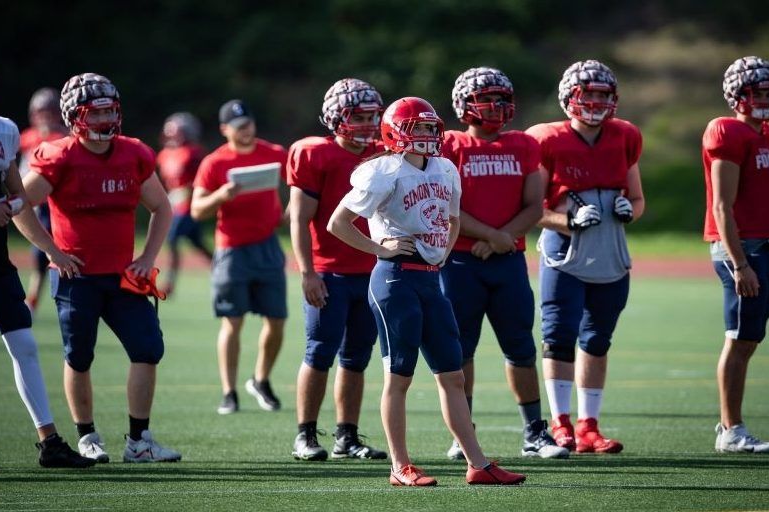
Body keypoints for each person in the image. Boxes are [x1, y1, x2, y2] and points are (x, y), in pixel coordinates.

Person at [328, 96, 525, 486]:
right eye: (416, 127)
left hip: (430, 279)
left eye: (429, 127)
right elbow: (339, 223)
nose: (425, 134)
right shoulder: (382, 171)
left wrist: (442, 252)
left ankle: (478, 464)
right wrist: (379, 248)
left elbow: (451, 221)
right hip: (395, 279)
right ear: (395, 132)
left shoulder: (445, 168)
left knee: (452, 376)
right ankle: (400, 466)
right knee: (399, 378)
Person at [21, 72, 181, 463]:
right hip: (77, 276)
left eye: (111, 111)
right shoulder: (58, 156)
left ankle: (139, 440)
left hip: (125, 274)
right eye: (97, 113)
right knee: (80, 355)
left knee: (148, 348)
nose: (106, 120)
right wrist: (50, 251)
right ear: (75, 116)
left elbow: (162, 207)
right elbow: (19, 204)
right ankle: (87, 435)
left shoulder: (134, 153)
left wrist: (147, 258)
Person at [440, 67, 567, 459]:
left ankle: (535, 433)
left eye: (501, 98)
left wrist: (501, 240)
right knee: (461, 352)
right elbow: (446, 203)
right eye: (487, 98)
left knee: (520, 348)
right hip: (460, 261)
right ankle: (464, 434)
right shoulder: (450, 144)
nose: (496, 106)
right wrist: (491, 237)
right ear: (464, 104)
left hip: (506, 260)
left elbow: (535, 205)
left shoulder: (524, 144)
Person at [526, 60, 645, 454]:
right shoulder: (546, 139)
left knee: (597, 339)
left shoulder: (624, 136)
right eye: (587, 93)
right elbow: (530, 209)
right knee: (558, 336)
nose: (595, 101)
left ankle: (589, 427)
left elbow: (639, 199)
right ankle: (560, 425)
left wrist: (630, 209)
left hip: (610, 251)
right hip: (565, 251)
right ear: (569, 98)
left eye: (602, 94)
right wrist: (568, 219)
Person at [0, 71, 93, 469]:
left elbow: (18, 195)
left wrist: (52, 248)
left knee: (25, 346)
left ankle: (49, 441)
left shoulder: (2, 131)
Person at [287, 78, 387, 461]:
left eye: (372, 116)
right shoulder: (315, 153)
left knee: (357, 356)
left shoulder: (382, 154)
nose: (367, 124)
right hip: (329, 272)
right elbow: (298, 219)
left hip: (371, 271)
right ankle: (305, 436)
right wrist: (307, 272)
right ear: (336, 118)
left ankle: (347, 436)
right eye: (358, 116)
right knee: (319, 352)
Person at [702, 56, 769, 454]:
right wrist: (739, 262)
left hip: (764, 246)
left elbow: (768, 202)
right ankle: (731, 429)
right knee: (739, 338)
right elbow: (723, 206)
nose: (764, 98)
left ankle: (731, 426)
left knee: (749, 337)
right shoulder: (726, 130)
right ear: (736, 95)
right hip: (737, 247)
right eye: (756, 92)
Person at [191, 99, 288, 415]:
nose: (246, 130)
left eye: (249, 124)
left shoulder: (273, 153)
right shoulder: (214, 163)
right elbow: (196, 210)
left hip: (269, 246)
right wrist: (222, 195)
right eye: (239, 127)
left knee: (276, 320)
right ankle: (229, 392)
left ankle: (261, 380)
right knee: (233, 322)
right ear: (225, 130)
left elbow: (301, 185)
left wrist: (291, 214)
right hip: (232, 250)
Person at [18, 87, 68, 314]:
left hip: (54, 202)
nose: (45, 116)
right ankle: (33, 300)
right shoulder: (27, 137)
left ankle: (35, 301)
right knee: (38, 252)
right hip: (32, 201)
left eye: (49, 111)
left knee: (44, 253)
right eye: (40, 111)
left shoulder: (64, 138)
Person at [156, 112, 212, 296]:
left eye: (176, 132)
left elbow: (201, 180)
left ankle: (170, 282)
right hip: (174, 206)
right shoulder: (164, 155)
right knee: (198, 244)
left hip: (189, 207)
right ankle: (223, 269)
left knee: (172, 238)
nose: (172, 135)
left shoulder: (193, 153)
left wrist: (186, 193)